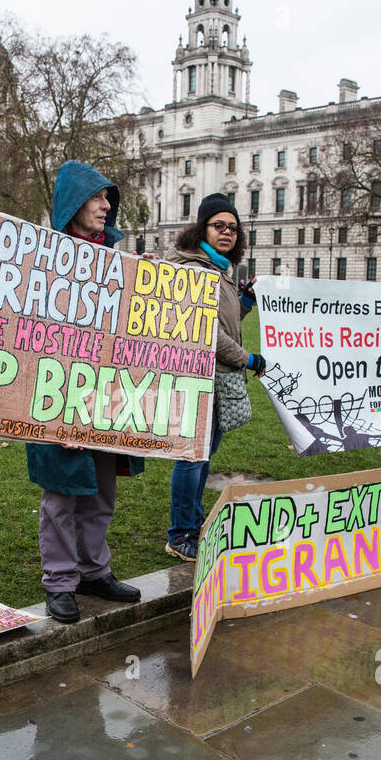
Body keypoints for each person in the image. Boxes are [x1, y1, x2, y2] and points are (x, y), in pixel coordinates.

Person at [26, 160, 143, 624]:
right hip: (56, 394)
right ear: (73, 205)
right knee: (62, 494)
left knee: (101, 492)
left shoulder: (117, 259)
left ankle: (94, 571)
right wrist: (58, 414)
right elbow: (28, 335)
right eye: (97, 197)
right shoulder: (42, 261)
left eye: (108, 198)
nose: (106, 205)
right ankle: (59, 581)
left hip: (107, 396)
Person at [164, 193, 264, 561]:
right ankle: (180, 534)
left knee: (203, 455)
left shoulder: (219, 268)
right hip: (197, 376)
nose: (227, 233)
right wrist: (248, 358)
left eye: (233, 228)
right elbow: (205, 330)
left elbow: (226, 321)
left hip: (216, 377)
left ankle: (191, 519)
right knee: (192, 456)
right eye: (219, 225)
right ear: (202, 228)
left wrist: (246, 302)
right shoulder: (194, 268)